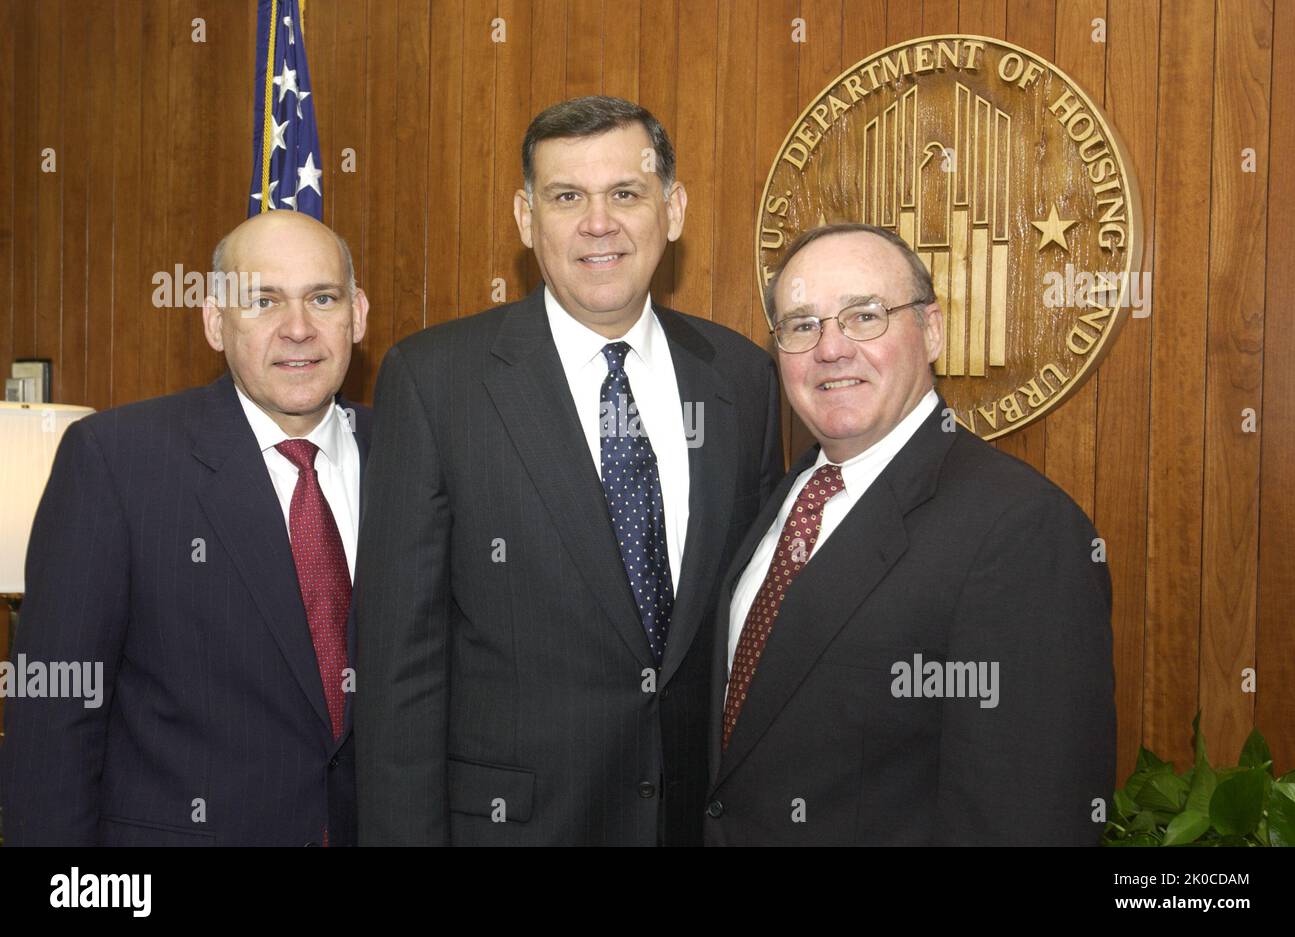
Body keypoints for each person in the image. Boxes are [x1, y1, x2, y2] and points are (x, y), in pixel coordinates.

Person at [355, 96, 784, 845]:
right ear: (526, 219)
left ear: (672, 209)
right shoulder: (434, 381)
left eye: (626, 193)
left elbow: (752, 632)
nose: (599, 222)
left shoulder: (743, 380)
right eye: (566, 197)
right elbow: (398, 670)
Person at [704, 223, 1116, 845]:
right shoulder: (785, 497)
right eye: (801, 325)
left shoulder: (1022, 531)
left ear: (932, 331)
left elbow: (1028, 819)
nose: (831, 348)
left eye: (865, 316)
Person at [0, 211, 371, 846]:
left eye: (323, 297)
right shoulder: (115, 462)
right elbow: (54, 722)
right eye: (262, 300)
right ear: (213, 321)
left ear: (357, 315)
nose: (299, 328)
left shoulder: (412, 454)